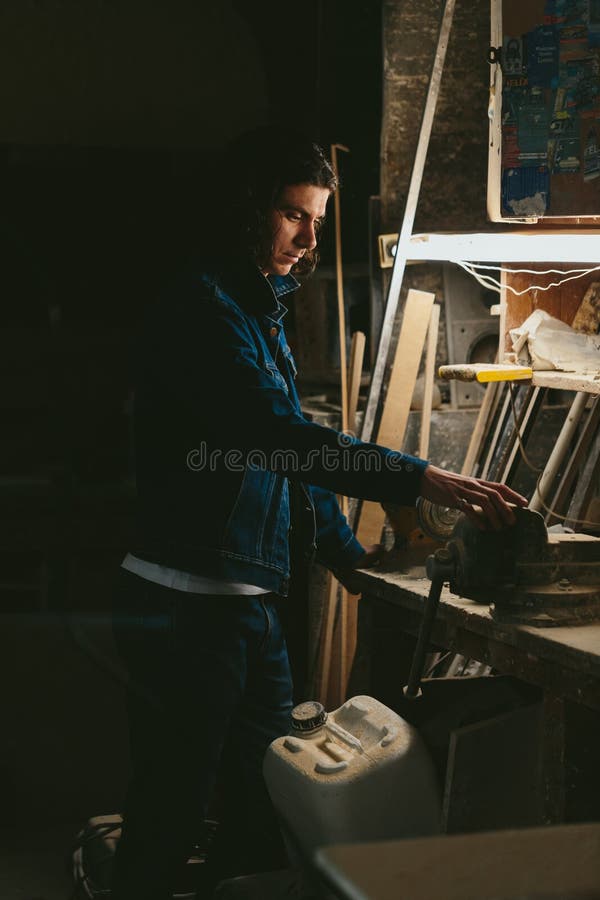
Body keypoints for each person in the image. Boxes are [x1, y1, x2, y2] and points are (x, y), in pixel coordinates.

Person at [110, 126, 527, 899]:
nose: (307, 241)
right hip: (183, 606)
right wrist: (420, 478)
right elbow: (279, 438)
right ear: (248, 212)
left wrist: (351, 559)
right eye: (293, 217)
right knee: (168, 816)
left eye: (317, 222)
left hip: (250, 609)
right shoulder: (204, 308)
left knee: (273, 805)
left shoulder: (260, 311)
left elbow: (288, 471)